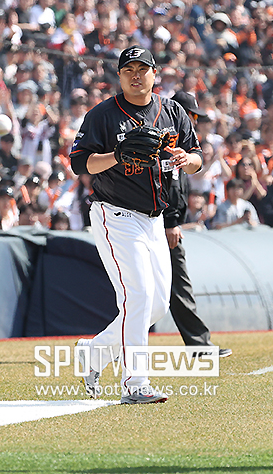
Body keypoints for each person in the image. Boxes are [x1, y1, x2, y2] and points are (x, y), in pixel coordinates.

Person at [70, 47, 203, 404]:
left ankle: (94, 352)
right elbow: (80, 164)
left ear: (154, 73)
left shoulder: (172, 110)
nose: (135, 74)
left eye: (142, 68)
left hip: (154, 219)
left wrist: (185, 159)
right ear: (119, 75)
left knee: (156, 305)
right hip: (115, 215)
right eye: (128, 68)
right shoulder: (103, 114)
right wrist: (117, 154)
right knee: (139, 296)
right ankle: (135, 382)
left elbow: (197, 158)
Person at [165, 91, 231, 357]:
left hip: (164, 223)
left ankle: (198, 344)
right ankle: (199, 345)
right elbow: (166, 184)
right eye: (192, 116)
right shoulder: (168, 144)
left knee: (161, 288)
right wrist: (170, 221)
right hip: (160, 226)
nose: (194, 123)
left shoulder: (180, 144)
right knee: (174, 286)